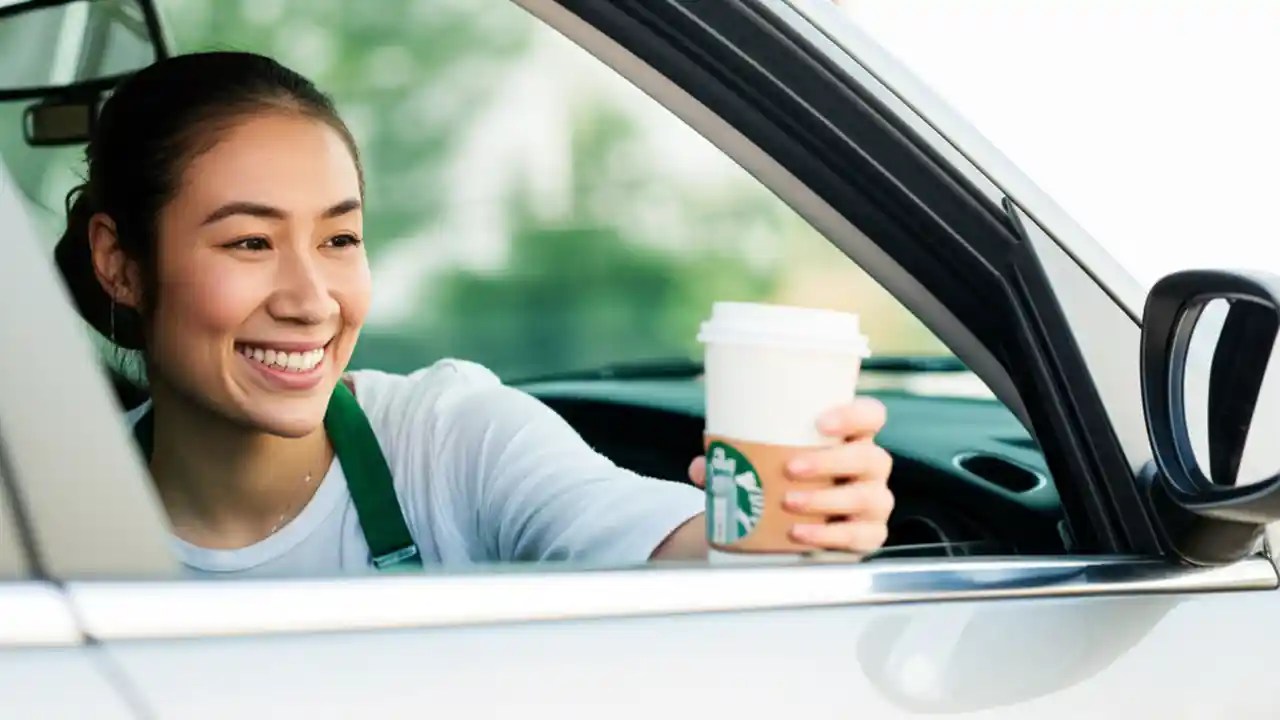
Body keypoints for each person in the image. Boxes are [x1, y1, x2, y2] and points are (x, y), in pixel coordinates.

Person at [53, 52, 894, 577]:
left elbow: (673, 550)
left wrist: (793, 530)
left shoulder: (451, 438)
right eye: (248, 244)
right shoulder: (42, 524)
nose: (312, 301)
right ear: (119, 262)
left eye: (340, 237)